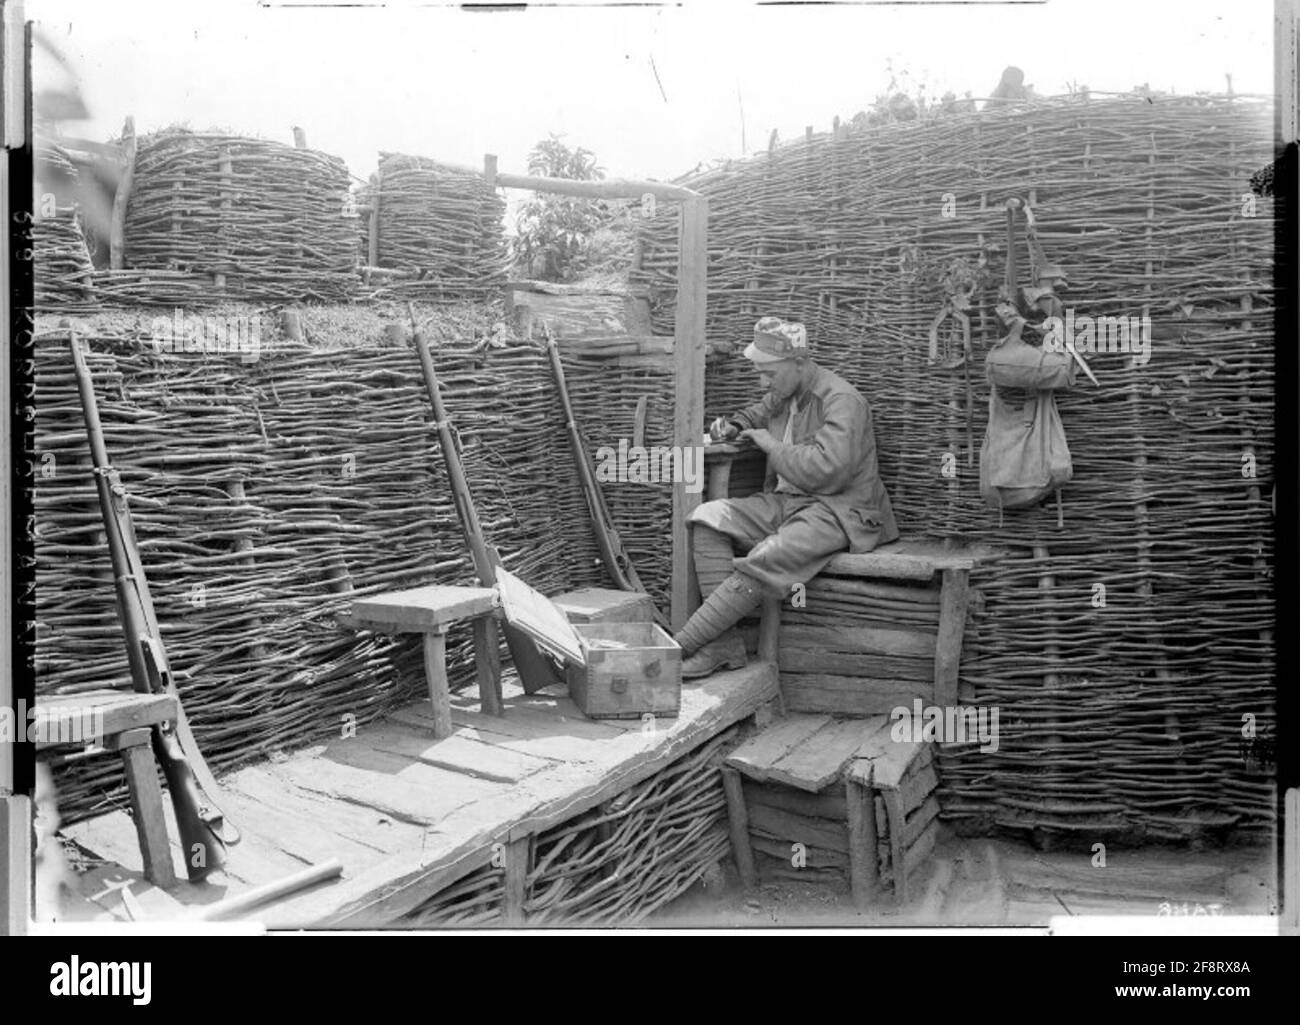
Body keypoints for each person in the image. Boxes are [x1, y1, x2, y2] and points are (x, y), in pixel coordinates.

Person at [674, 316, 899, 678]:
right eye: (759, 373)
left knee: (767, 557)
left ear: (798, 363)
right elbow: (756, 412)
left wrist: (770, 445)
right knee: (707, 518)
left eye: (770, 373)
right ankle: (721, 645)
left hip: (838, 509)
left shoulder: (842, 401)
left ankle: (679, 647)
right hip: (787, 503)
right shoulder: (785, 392)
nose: (764, 382)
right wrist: (735, 425)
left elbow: (828, 471)